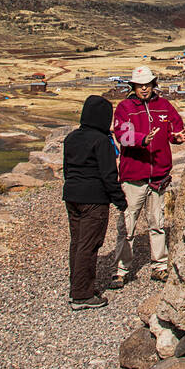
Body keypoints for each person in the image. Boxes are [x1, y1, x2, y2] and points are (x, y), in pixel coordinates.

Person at [111, 65, 185, 286]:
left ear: (153, 85)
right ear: (133, 86)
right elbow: (121, 135)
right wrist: (142, 139)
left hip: (158, 175)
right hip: (133, 176)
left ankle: (159, 266)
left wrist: (177, 137)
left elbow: (175, 127)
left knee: (157, 223)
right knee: (128, 224)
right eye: (139, 85)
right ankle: (121, 269)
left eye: (147, 84)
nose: (144, 89)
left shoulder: (164, 106)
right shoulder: (125, 107)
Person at [62, 95, 128, 309]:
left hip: (72, 195)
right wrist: (120, 200)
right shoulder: (102, 141)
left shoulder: (72, 138)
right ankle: (82, 295)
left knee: (77, 242)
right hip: (94, 199)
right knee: (89, 246)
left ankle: (77, 286)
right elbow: (109, 175)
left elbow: (67, 169)